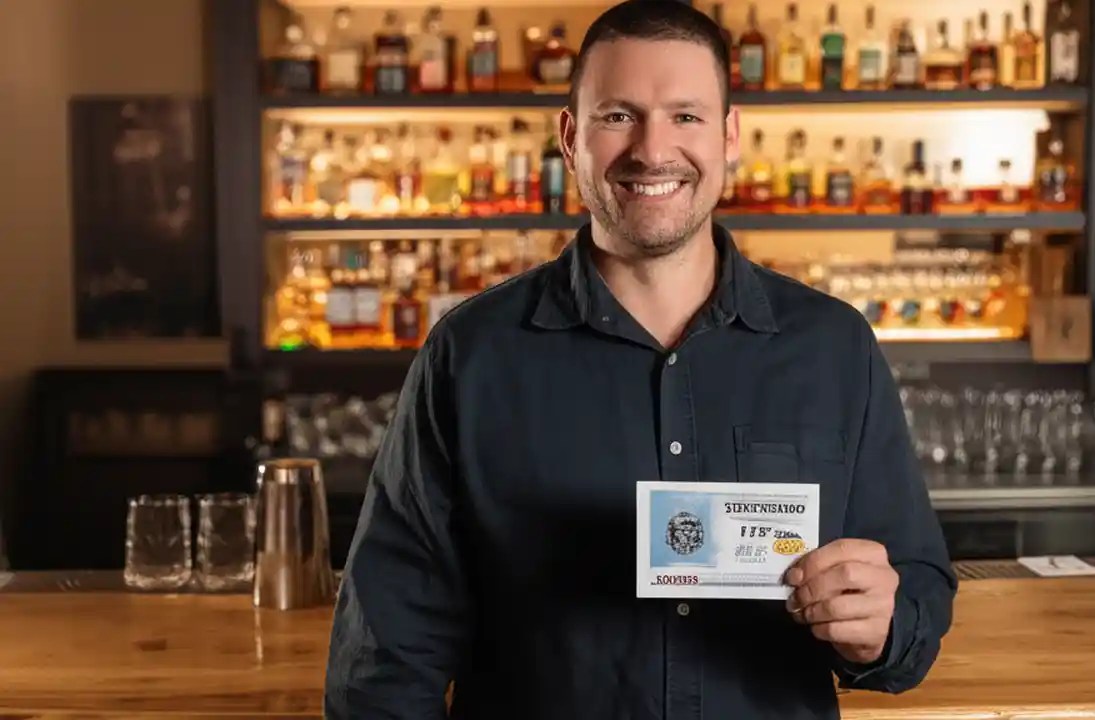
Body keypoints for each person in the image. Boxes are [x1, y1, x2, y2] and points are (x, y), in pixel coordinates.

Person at [324, 1, 957, 718]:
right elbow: (386, 658)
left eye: (685, 116)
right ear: (570, 138)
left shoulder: (834, 347)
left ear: (730, 136)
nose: (653, 151)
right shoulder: (472, 355)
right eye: (618, 115)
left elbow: (919, 597)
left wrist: (881, 627)